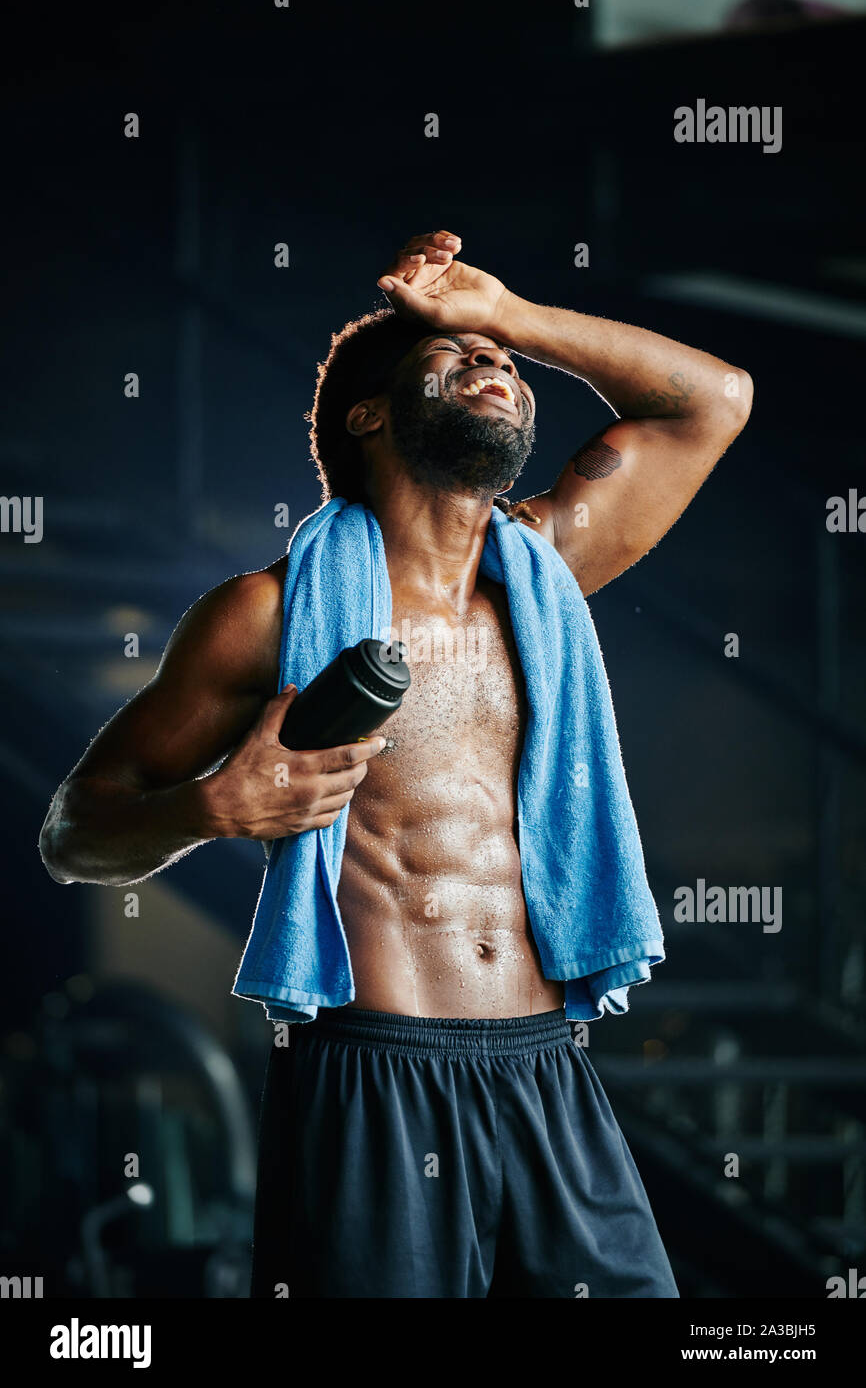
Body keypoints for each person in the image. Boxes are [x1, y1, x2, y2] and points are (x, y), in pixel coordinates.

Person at [39, 229, 752, 1298]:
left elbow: (716, 399)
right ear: (366, 414)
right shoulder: (265, 616)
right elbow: (73, 832)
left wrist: (505, 312)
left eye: (502, 360)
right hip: (371, 1076)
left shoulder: (546, 570)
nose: (496, 366)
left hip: (545, 1068)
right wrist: (212, 806)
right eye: (456, 355)